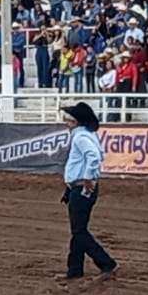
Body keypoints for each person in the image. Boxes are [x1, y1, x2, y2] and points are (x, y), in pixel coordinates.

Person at [58, 102, 117, 283]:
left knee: (79, 231)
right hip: (81, 186)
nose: (65, 123)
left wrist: (87, 179)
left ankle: (106, 263)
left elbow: (93, 158)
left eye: (68, 120)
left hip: (83, 187)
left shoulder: (80, 138)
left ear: (75, 122)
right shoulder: (87, 135)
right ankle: (75, 269)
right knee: (78, 230)